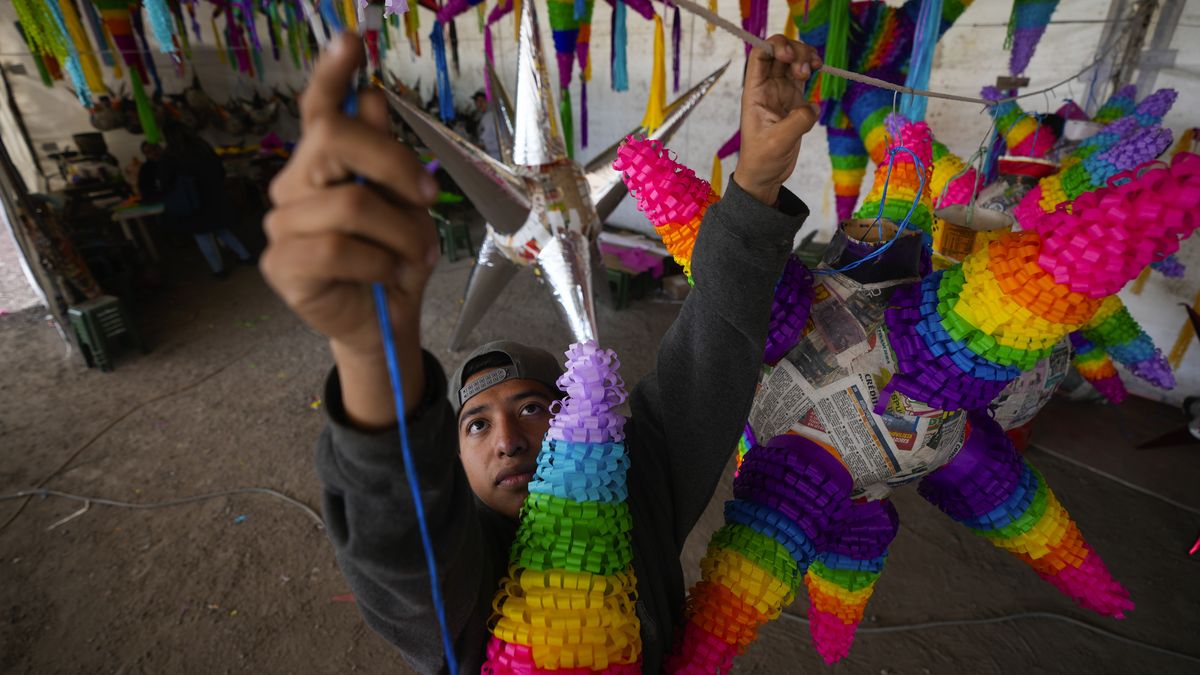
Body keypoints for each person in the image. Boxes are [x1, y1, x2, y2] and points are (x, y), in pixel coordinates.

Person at [261, 32, 821, 673]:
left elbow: (713, 349)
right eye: (476, 424)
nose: (507, 439)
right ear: (455, 466)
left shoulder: (638, 488)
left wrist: (754, 185)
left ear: (573, 424)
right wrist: (369, 352)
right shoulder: (457, 582)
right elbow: (398, 548)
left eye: (531, 408)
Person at [158, 123, 254, 278]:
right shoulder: (202, 146)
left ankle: (218, 270)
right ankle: (245, 256)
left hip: (191, 200)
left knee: (202, 235)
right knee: (221, 229)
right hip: (213, 195)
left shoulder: (170, 155)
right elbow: (220, 169)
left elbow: (165, 181)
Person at [473, 89, 501, 161]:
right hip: (492, 156)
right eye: (477, 102)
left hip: (496, 157)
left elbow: (485, 143)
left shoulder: (490, 117)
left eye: (482, 101)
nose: (479, 104)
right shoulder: (484, 116)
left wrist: (482, 146)